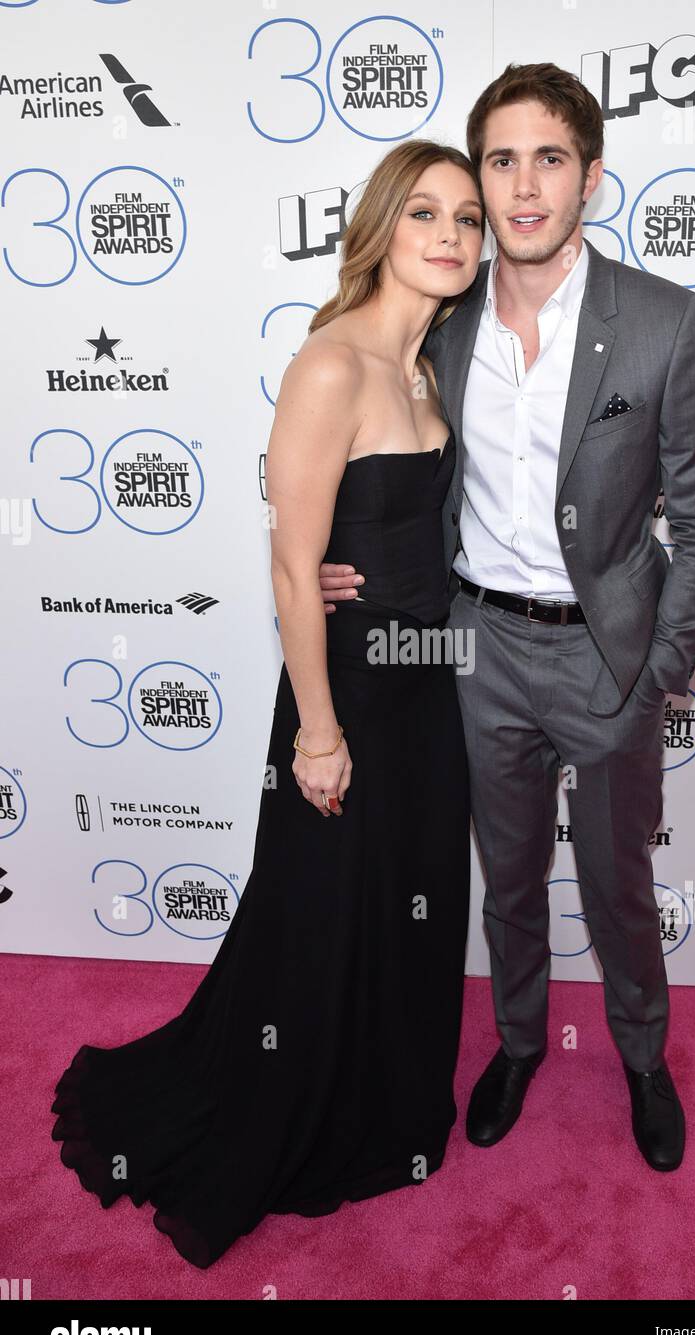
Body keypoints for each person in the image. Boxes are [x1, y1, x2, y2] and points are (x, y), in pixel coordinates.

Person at [50, 140, 484, 1267]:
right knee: (321, 906)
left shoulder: (429, 365)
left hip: (426, 678)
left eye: (469, 219)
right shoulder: (330, 364)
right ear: (385, 226)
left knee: (409, 895)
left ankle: (386, 1104)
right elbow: (296, 568)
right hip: (348, 695)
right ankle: (295, 1107)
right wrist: (319, 730)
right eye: (426, 212)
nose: (451, 235)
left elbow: (399, 530)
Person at [319, 64, 695, 1172]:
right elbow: (388, 463)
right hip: (477, 651)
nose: (520, 185)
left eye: (547, 157)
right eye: (499, 159)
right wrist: (337, 561)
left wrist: (660, 672)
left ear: (589, 178)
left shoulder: (663, 322)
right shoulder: (441, 325)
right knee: (505, 876)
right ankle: (515, 1043)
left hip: (608, 659)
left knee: (616, 885)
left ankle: (641, 1057)